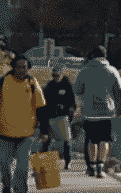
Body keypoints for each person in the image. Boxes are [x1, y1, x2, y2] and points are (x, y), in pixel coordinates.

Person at [0, 54, 46, 193]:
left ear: (28, 68)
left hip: (26, 133)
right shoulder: (4, 81)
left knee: (22, 166)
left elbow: (41, 108)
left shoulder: (32, 83)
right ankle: (6, 185)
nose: (21, 70)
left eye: (24, 67)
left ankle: (21, 192)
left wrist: (44, 130)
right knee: (4, 163)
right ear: (13, 67)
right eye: (18, 67)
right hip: (5, 131)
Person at [73, 45, 121, 178]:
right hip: (108, 112)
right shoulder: (112, 70)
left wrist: (80, 107)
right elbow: (119, 91)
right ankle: (101, 168)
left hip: (89, 112)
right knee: (104, 140)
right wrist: (119, 107)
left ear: (93, 56)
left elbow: (77, 91)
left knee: (92, 140)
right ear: (105, 56)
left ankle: (92, 167)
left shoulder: (84, 71)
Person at [40, 66, 76, 170]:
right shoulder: (49, 86)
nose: (55, 77)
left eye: (57, 75)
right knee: (47, 140)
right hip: (50, 116)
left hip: (62, 116)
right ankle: (43, 163)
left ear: (62, 74)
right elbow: (44, 101)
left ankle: (67, 162)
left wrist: (69, 112)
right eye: (53, 75)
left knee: (67, 139)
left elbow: (72, 101)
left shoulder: (67, 85)